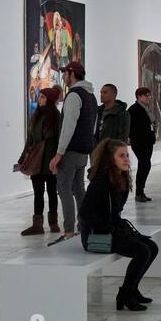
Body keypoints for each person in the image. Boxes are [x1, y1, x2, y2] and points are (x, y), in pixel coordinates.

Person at [80, 139, 158, 311]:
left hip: (112, 229)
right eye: (121, 156)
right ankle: (124, 295)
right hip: (96, 236)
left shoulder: (119, 177)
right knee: (142, 251)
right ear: (110, 158)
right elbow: (84, 214)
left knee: (152, 247)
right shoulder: (100, 182)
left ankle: (132, 289)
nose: (126, 159)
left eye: (127, 155)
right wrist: (107, 228)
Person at [49, 61, 97, 239]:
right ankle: (84, 226)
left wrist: (59, 153)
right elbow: (92, 127)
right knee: (78, 189)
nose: (63, 76)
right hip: (83, 151)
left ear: (71, 73)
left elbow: (68, 126)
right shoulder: (90, 96)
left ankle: (69, 231)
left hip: (70, 152)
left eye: (65, 73)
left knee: (64, 189)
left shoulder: (74, 95)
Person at [20, 86, 62, 235]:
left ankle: (53, 223)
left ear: (49, 100)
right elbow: (30, 139)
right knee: (38, 193)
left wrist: (58, 158)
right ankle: (37, 225)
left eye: (43, 97)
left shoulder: (56, 116)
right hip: (37, 161)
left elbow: (59, 140)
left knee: (52, 192)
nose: (39, 99)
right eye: (40, 96)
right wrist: (23, 157)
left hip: (50, 160)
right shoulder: (36, 116)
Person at [128, 87, 157, 202]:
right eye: (146, 95)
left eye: (149, 95)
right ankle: (139, 192)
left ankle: (140, 192)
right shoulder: (133, 109)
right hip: (139, 142)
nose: (148, 97)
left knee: (145, 165)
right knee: (145, 165)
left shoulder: (146, 109)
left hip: (148, 141)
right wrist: (131, 137)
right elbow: (130, 126)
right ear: (139, 96)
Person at [95, 83, 131, 149]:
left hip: (112, 154)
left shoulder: (122, 114)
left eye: (105, 92)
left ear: (114, 95)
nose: (101, 95)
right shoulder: (97, 112)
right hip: (97, 154)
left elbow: (122, 139)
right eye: (101, 92)